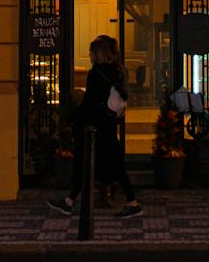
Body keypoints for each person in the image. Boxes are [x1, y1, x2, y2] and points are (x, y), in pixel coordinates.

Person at [49, 34, 142, 220]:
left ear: (98, 54)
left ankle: (132, 203)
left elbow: (89, 102)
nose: (89, 55)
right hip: (108, 124)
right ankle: (70, 201)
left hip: (94, 127)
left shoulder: (95, 74)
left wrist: (75, 120)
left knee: (86, 163)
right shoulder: (117, 71)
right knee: (110, 164)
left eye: (91, 52)